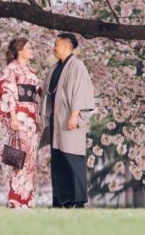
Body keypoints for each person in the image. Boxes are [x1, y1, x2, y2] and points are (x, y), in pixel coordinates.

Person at [39, 32, 95, 208]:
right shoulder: (55, 68)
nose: (53, 48)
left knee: (72, 157)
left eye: (56, 45)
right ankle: (60, 199)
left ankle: (77, 200)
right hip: (56, 120)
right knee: (58, 160)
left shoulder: (77, 66)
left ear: (66, 46)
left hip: (70, 120)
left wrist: (74, 114)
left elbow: (80, 91)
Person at [0, 37, 42, 208]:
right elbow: (6, 92)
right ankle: (16, 199)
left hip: (32, 115)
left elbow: (38, 93)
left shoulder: (31, 71)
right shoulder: (10, 69)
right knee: (20, 158)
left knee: (31, 159)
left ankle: (27, 200)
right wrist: (12, 117)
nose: (31, 50)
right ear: (20, 50)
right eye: (29, 47)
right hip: (20, 116)